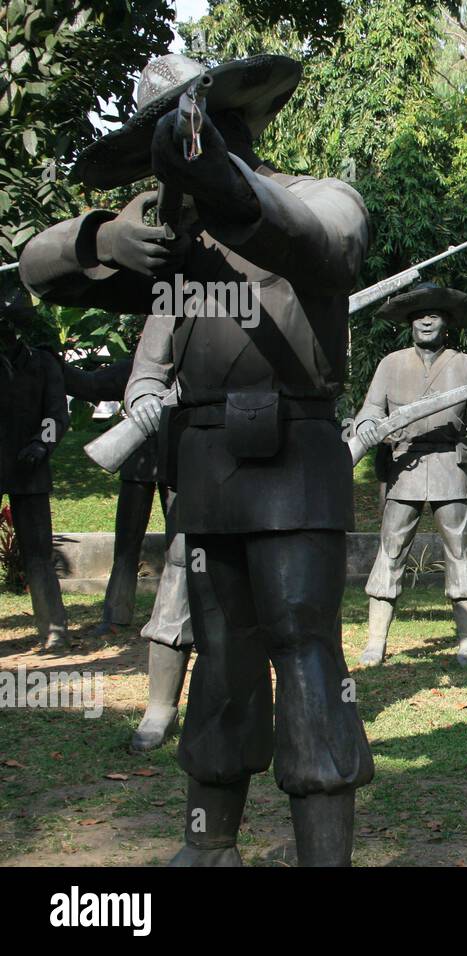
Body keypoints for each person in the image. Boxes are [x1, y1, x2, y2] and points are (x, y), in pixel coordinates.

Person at [22, 52, 375, 864]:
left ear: (236, 127)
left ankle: (325, 857)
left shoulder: (319, 197)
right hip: (208, 470)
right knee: (221, 661)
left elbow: (326, 246)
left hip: (295, 458)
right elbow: (41, 268)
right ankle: (208, 844)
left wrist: (223, 185)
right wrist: (110, 234)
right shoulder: (171, 242)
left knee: (305, 649)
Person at [354, 285, 467, 667]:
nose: (426, 319)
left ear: (447, 322)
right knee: (390, 551)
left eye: (434, 314)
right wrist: (370, 427)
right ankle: (375, 642)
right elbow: (370, 410)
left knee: (460, 552)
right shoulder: (391, 364)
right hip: (405, 469)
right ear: (409, 322)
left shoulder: (465, 363)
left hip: (451, 468)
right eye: (419, 314)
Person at [62, 347, 193, 751]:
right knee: (126, 549)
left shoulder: (200, 362)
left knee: (183, 554)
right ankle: (114, 614)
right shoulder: (138, 368)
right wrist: (50, 358)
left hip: (180, 469)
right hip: (137, 466)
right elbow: (90, 386)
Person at [0, 275, 68, 652]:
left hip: (31, 469)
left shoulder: (43, 363)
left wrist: (41, 446)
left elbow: (57, 415)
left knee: (39, 553)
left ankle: (54, 628)